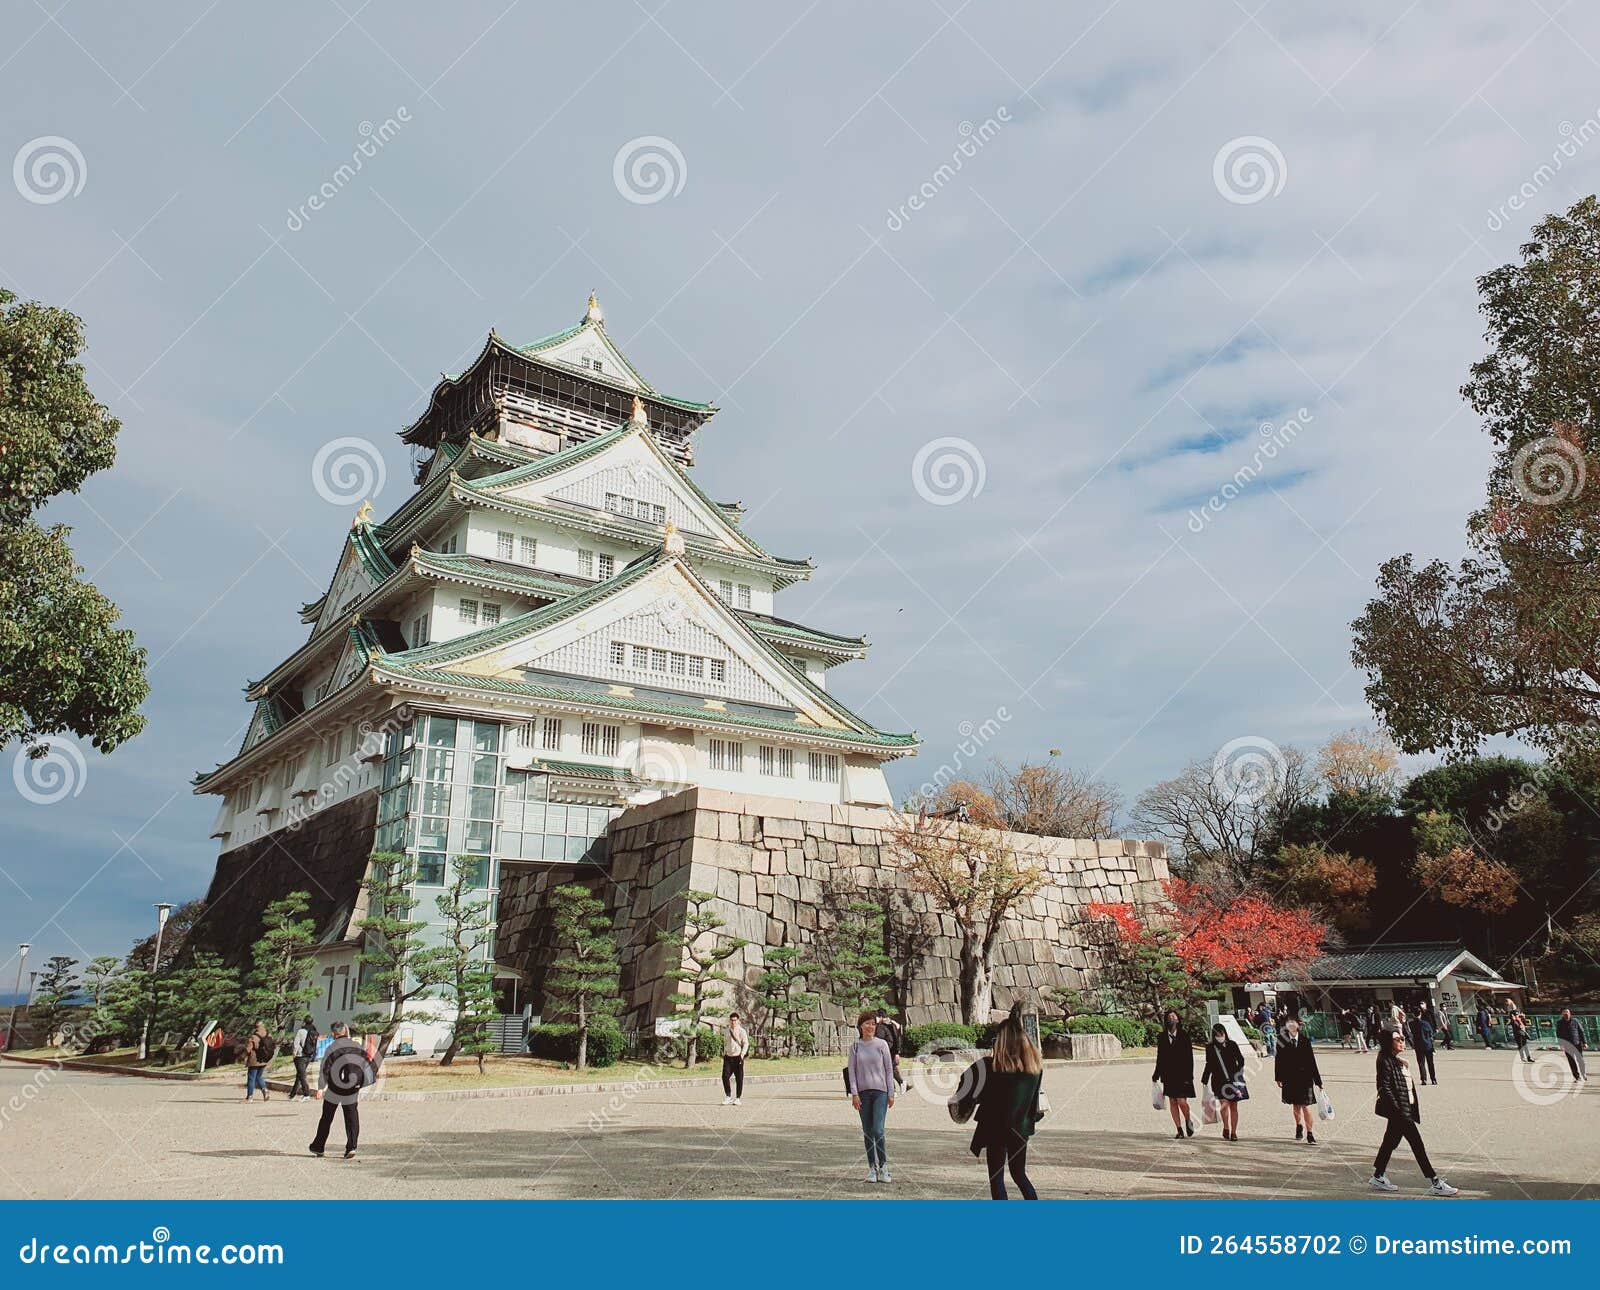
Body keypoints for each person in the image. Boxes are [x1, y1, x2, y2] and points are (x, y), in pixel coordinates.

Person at [960, 1008, 1043, 1199]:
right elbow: (1034, 1101)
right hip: (1021, 1128)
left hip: (995, 1129)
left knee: (997, 1178)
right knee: (1019, 1174)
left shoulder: (990, 1066)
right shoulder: (1034, 1069)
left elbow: (966, 1085)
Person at [1367, 1028, 1459, 1196]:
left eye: (1402, 1038)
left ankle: (1378, 1176)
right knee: (1417, 1145)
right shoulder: (1384, 1061)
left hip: (1404, 1108)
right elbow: (1384, 1088)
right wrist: (1398, 1110)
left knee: (1389, 1143)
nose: (1402, 1041)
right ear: (1388, 1042)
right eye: (1397, 1039)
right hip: (1400, 1111)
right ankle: (1435, 1181)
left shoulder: (1394, 1060)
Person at [309, 1022, 376, 1160]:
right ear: (345, 1032)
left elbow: (325, 1070)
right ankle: (351, 1147)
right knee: (351, 1116)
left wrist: (321, 1087)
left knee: (327, 1117)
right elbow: (365, 1064)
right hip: (352, 1086)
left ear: (334, 1033)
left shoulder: (332, 1047)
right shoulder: (356, 1046)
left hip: (335, 1087)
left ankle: (318, 1146)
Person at [847, 1011, 896, 1184]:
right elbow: (851, 1072)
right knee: (868, 1132)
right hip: (863, 1094)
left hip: (880, 1092)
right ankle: (872, 1168)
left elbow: (889, 1070)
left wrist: (891, 1093)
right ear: (861, 1026)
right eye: (867, 1023)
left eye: (873, 1024)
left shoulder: (882, 1045)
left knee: (878, 1130)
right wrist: (854, 1094)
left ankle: (884, 1166)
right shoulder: (855, 1047)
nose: (871, 1027)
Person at [1274, 1015, 1322, 1144]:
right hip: (1290, 1077)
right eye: (1288, 1023)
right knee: (1296, 1105)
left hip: (1305, 1077)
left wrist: (1318, 1081)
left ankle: (1310, 1133)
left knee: (1306, 1105)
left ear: (1298, 1024)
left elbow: (1312, 1061)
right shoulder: (1281, 1040)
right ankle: (1299, 1125)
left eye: (1293, 1022)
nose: (1290, 1025)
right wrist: (1278, 1077)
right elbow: (1278, 1060)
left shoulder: (1305, 1040)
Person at [1201, 1022, 1248, 1141]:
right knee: (1224, 1104)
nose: (1220, 1036)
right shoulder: (1211, 1047)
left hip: (1233, 1079)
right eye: (1217, 1034)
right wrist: (1205, 1078)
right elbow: (1209, 1064)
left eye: (1221, 1033)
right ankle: (1226, 1127)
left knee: (1233, 1105)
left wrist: (1238, 1073)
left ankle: (1234, 1132)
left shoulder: (1232, 1044)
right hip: (1218, 1079)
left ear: (1225, 1033)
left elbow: (1241, 1060)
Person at [1152, 1009, 1196, 1139]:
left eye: (1174, 1016)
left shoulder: (1184, 1035)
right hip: (1168, 1073)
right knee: (1172, 1101)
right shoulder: (1161, 1037)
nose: (1171, 1018)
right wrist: (1156, 1073)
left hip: (1183, 1074)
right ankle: (1179, 1129)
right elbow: (1160, 1057)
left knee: (1182, 1101)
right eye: (1169, 1016)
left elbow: (1189, 1057)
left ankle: (1188, 1120)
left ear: (1178, 1019)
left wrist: (1189, 1076)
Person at [722, 1012, 749, 1105]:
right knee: (725, 1077)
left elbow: (746, 1043)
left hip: (738, 1057)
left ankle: (738, 1098)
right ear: (730, 1021)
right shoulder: (726, 1031)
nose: (733, 1022)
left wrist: (742, 1054)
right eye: (732, 1020)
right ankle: (728, 1096)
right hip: (728, 1057)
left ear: (738, 1021)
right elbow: (725, 1043)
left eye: (735, 1020)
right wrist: (724, 1052)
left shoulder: (742, 1031)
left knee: (739, 1078)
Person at [874, 1007, 905, 1089]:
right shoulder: (892, 1024)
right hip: (891, 1051)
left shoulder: (883, 1026)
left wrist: (897, 1052)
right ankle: (901, 1084)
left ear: (880, 1017)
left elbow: (881, 1039)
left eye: (876, 1017)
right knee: (891, 1069)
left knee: (887, 1070)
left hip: (888, 1051)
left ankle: (893, 1089)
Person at [289, 1015, 318, 1101]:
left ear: (304, 1022)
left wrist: (294, 1053)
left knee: (302, 1075)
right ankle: (292, 1094)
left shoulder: (301, 1031)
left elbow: (296, 1044)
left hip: (300, 1056)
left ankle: (306, 1094)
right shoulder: (314, 1031)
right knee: (300, 1074)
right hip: (308, 1056)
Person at [242, 1021, 272, 1102]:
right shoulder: (268, 1034)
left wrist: (243, 1056)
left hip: (254, 1060)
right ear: (263, 1026)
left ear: (256, 1027)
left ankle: (250, 1097)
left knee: (251, 1078)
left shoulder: (254, 1037)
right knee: (259, 1076)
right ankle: (265, 1090)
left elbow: (248, 1049)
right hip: (264, 1059)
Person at [1556, 1007, 1587, 1082]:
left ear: (1570, 1013)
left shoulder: (1575, 1021)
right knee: (1571, 1061)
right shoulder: (1559, 1023)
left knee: (1580, 1060)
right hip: (1567, 1045)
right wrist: (1561, 1044)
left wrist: (1585, 1042)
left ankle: (1583, 1074)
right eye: (1564, 1013)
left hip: (1577, 1043)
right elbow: (1558, 1034)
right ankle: (1577, 1077)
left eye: (1567, 1012)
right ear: (1562, 1014)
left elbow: (1581, 1031)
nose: (1566, 1014)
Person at [1407, 1007, 1437, 1085]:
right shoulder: (1425, 1023)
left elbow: (1410, 1034)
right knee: (1430, 1063)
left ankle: (1424, 1079)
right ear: (1420, 1014)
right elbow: (1431, 1034)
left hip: (1418, 1045)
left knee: (1421, 1063)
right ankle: (1433, 1079)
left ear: (1413, 1014)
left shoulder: (1411, 1024)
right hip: (1428, 1045)